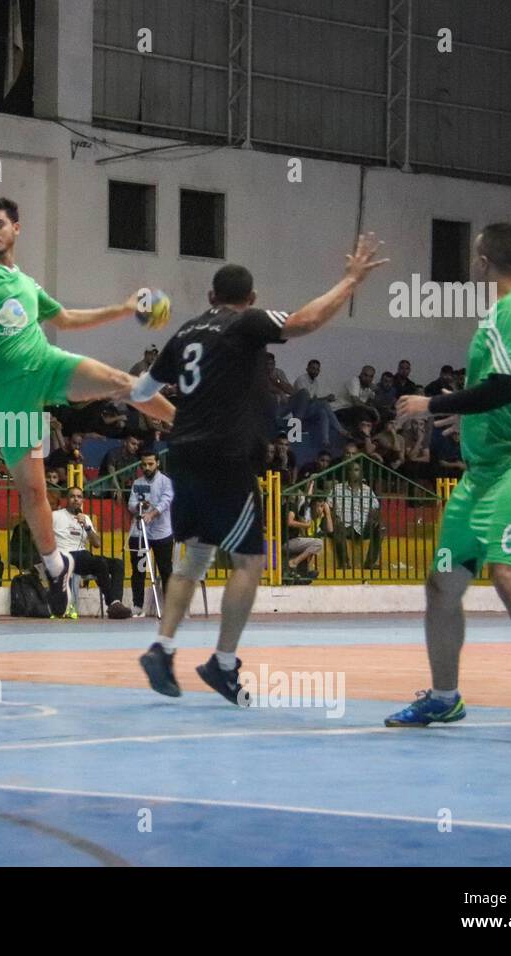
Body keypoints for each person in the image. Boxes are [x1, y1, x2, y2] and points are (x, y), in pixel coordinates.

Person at [133, 234, 388, 700]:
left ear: (211, 297)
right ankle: (223, 663)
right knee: (250, 560)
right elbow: (305, 321)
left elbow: (139, 391)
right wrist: (350, 280)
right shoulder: (245, 322)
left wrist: (178, 418)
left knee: (196, 552)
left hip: (184, 454)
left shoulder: (185, 332)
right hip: (226, 455)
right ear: (250, 299)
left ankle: (162, 648)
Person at [0, 197, 175, 616]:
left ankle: (187, 425)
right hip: (8, 393)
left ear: (17, 228)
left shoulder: (28, 284)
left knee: (122, 382)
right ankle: (56, 568)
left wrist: (125, 308)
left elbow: (67, 320)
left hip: (47, 365)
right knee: (33, 490)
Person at [386, 223, 511, 746]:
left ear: (481, 262)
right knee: (442, 581)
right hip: (486, 469)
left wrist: (431, 404)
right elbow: (500, 393)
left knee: (510, 576)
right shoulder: (505, 314)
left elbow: (505, 387)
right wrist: (467, 421)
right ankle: (444, 698)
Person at [53, 485, 129, 617]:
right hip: (65, 555)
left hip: (83, 555)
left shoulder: (85, 518)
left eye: (79, 497)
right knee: (99, 562)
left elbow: (97, 544)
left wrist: (87, 527)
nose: (76, 500)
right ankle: (113, 604)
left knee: (117, 563)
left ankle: (116, 602)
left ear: (82, 500)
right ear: (66, 499)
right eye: (72, 496)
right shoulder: (56, 516)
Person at [126, 451, 174, 612]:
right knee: (138, 570)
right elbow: (131, 504)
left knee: (166, 570)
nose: (147, 467)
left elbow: (166, 501)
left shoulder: (166, 482)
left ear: (157, 463)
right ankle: (138, 605)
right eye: (144, 464)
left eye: (150, 464)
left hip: (162, 533)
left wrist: (152, 513)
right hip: (140, 533)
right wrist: (140, 507)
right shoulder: (138, 482)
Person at [330, 459, 383, 570]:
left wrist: (374, 518)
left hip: (363, 526)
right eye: (351, 470)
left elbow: (375, 508)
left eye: (357, 470)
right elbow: (328, 505)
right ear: (347, 472)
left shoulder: (368, 491)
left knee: (381, 528)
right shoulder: (337, 488)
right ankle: (344, 563)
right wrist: (334, 517)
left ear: (361, 473)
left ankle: (370, 562)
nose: (353, 472)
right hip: (345, 525)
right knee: (338, 527)